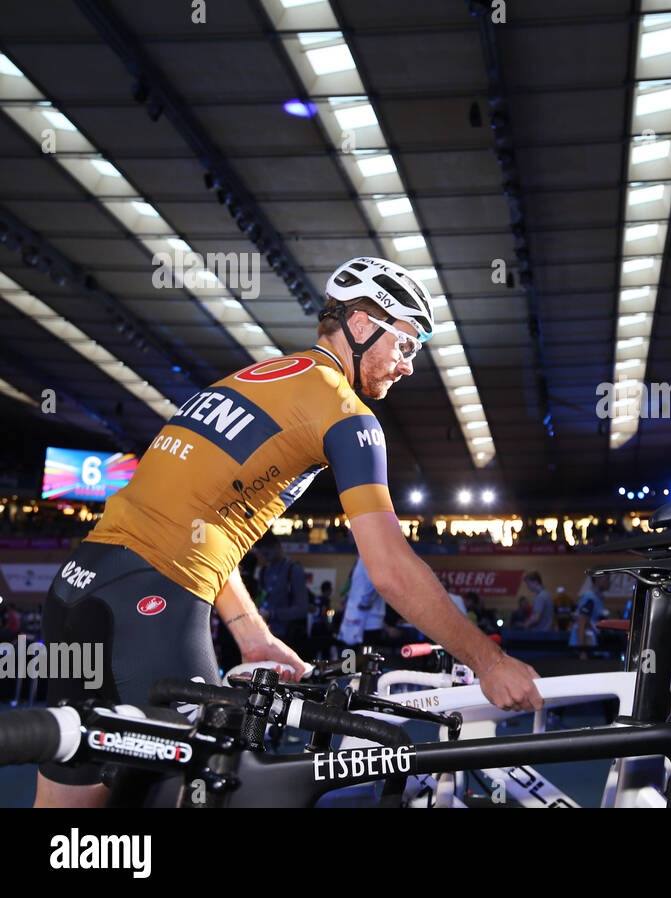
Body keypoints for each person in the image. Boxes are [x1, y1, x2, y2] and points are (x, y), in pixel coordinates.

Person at [35, 256, 542, 808]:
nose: (408, 365)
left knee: (70, 828)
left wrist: (251, 632)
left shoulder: (248, 381)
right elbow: (391, 570)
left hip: (77, 592)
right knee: (218, 794)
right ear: (363, 324)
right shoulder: (345, 413)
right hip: (151, 609)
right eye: (406, 344)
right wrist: (489, 663)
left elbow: (203, 520)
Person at [254, 535, 310, 653]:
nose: (265, 555)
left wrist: (272, 614)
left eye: (268, 551)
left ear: (277, 546)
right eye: (262, 552)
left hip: (288, 638)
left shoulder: (294, 569)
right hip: (266, 635)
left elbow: (302, 609)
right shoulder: (264, 572)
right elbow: (260, 600)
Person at [568, 574, 609, 652]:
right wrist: (582, 652)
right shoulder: (590, 599)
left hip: (590, 645)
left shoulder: (597, 599)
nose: (608, 582)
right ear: (597, 579)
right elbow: (581, 623)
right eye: (606, 579)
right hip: (582, 648)